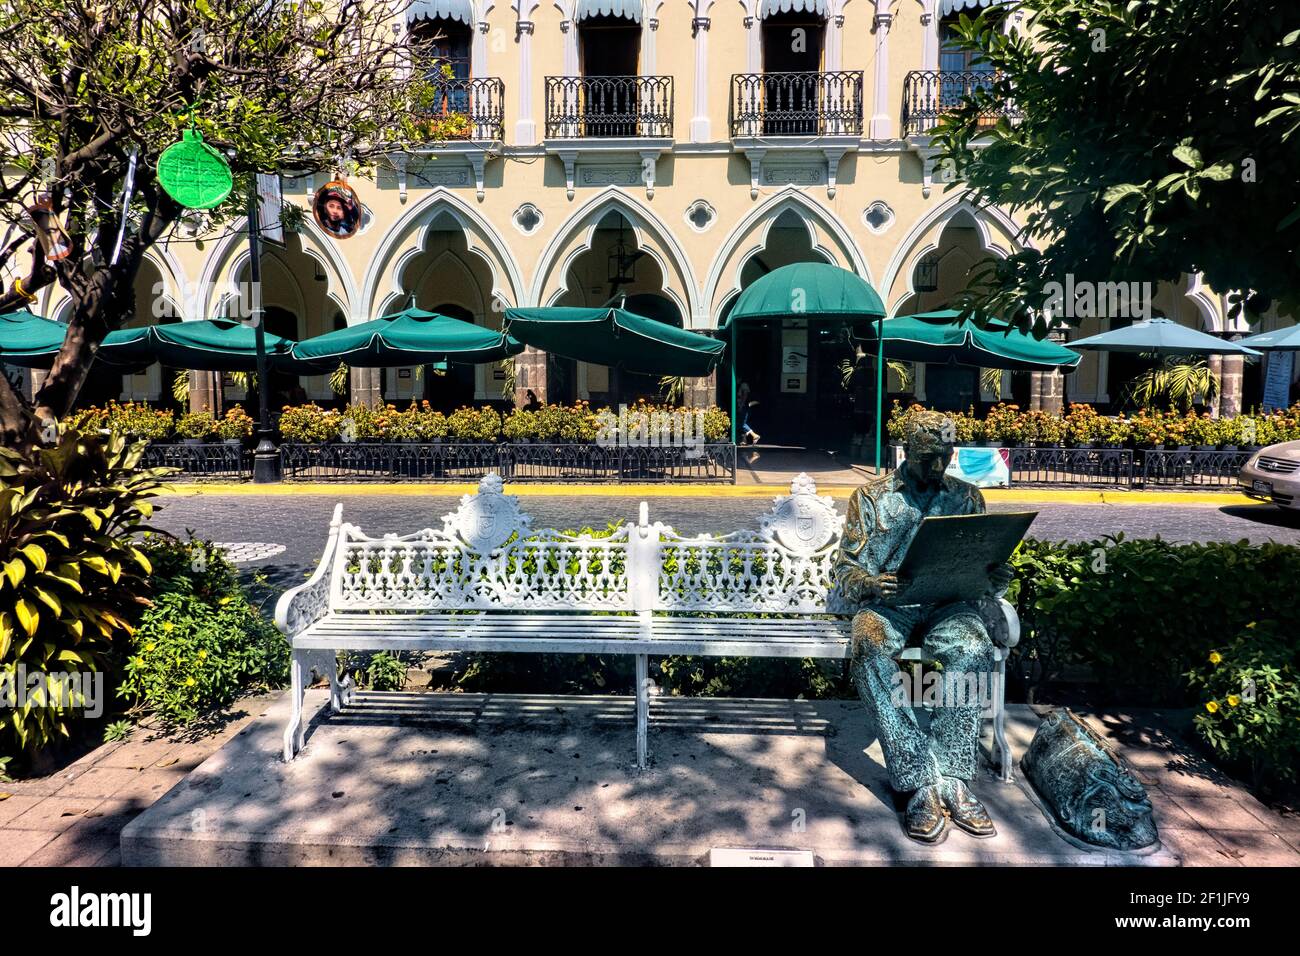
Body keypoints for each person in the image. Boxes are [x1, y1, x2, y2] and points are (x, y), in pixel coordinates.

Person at [833, 409, 1014, 845]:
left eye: (944, 457)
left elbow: (983, 562)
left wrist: (993, 576)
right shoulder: (871, 498)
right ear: (906, 452)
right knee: (870, 650)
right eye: (926, 457)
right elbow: (844, 571)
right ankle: (918, 782)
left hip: (949, 604)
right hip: (888, 606)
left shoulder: (967, 498)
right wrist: (872, 583)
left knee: (972, 647)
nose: (936, 467)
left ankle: (953, 779)